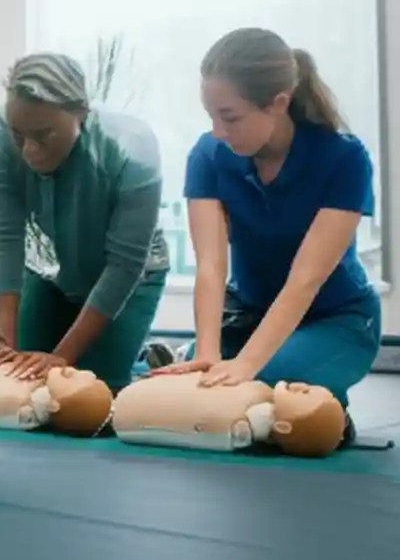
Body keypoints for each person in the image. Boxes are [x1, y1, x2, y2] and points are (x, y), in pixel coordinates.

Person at [153, 27, 380, 431]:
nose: (218, 132)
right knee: (173, 384)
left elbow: (304, 281)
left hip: (336, 320)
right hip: (247, 315)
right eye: (211, 117)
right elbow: (210, 266)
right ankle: (193, 353)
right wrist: (208, 352)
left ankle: (322, 404)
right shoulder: (208, 154)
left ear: (278, 104)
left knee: (263, 381)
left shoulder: (344, 157)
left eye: (230, 118)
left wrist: (246, 364)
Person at [0, 53, 170, 394]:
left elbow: (124, 265)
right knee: (18, 380)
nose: (28, 150)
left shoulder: (132, 151)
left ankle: (146, 361)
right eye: (19, 135)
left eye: (43, 136)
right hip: (53, 272)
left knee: (86, 393)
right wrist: (1, 344)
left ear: (81, 114)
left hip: (131, 275)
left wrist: (62, 358)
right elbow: (3, 237)